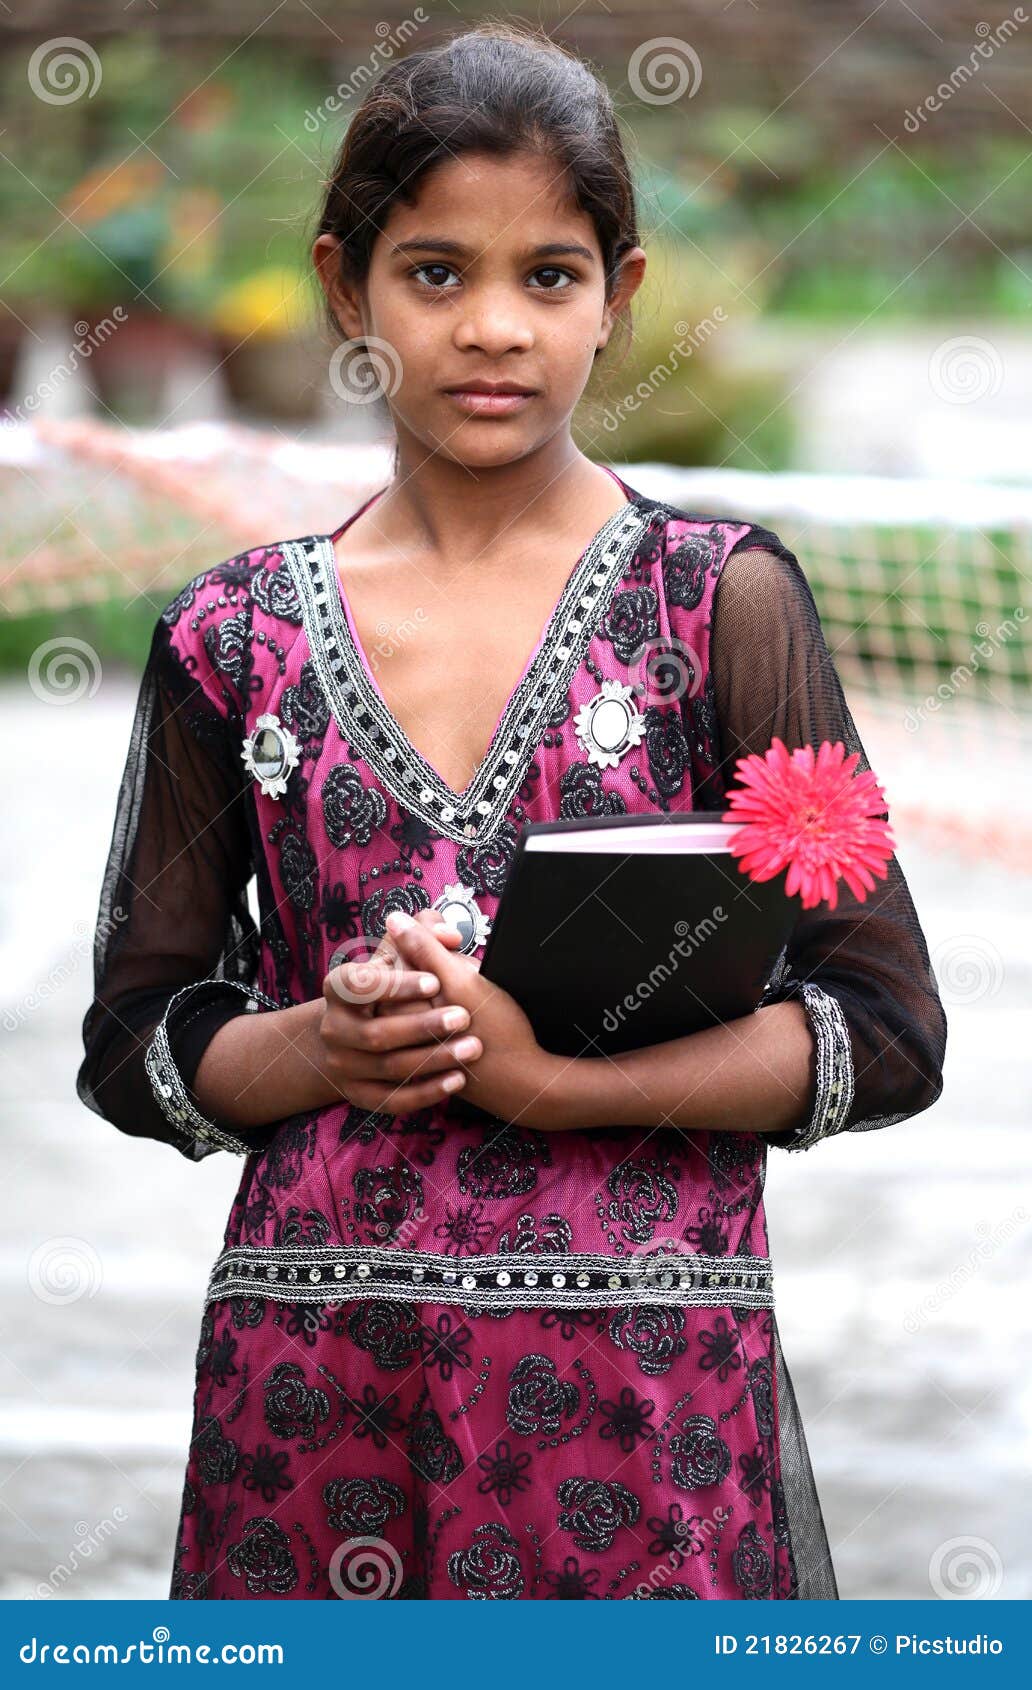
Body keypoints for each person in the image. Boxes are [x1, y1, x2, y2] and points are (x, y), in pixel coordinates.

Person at [76, 22, 946, 1601]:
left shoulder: (718, 609)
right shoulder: (236, 636)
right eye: (435, 273)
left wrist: (554, 1084)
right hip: (314, 1396)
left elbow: (882, 1027)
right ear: (347, 290)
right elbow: (138, 1035)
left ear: (619, 295)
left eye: (549, 275)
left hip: (645, 1423)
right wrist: (320, 1045)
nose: (494, 326)